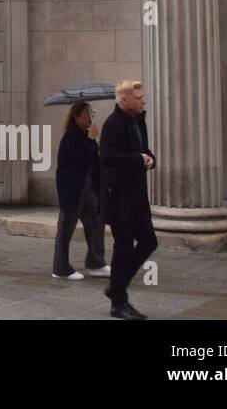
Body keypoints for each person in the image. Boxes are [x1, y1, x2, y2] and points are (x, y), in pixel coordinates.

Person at [101, 79, 157, 319]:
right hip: (120, 197)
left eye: (142, 96)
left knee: (149, 241)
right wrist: (138, 159)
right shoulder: (112, 124)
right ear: (124, 100)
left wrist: (150, 160)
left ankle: (116, 288)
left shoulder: (138, 121)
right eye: (138, 97)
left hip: (138, 195)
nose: (143, 100)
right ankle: (118, 303)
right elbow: (108, 156)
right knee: (123, 248)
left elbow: (145, 151)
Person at [52, 101, 108, 280]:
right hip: (73, 189)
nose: (89, 116)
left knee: (96, 221)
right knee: (66, 227)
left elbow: (92, 161)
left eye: (90, 113)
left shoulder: (85, 134)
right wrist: (91, 139)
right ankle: (61, 268)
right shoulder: (71, 136)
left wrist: (94, 142)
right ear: (76, 116)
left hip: (88, 187)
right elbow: (79, 158)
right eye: (85, 113)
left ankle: (96, 262)